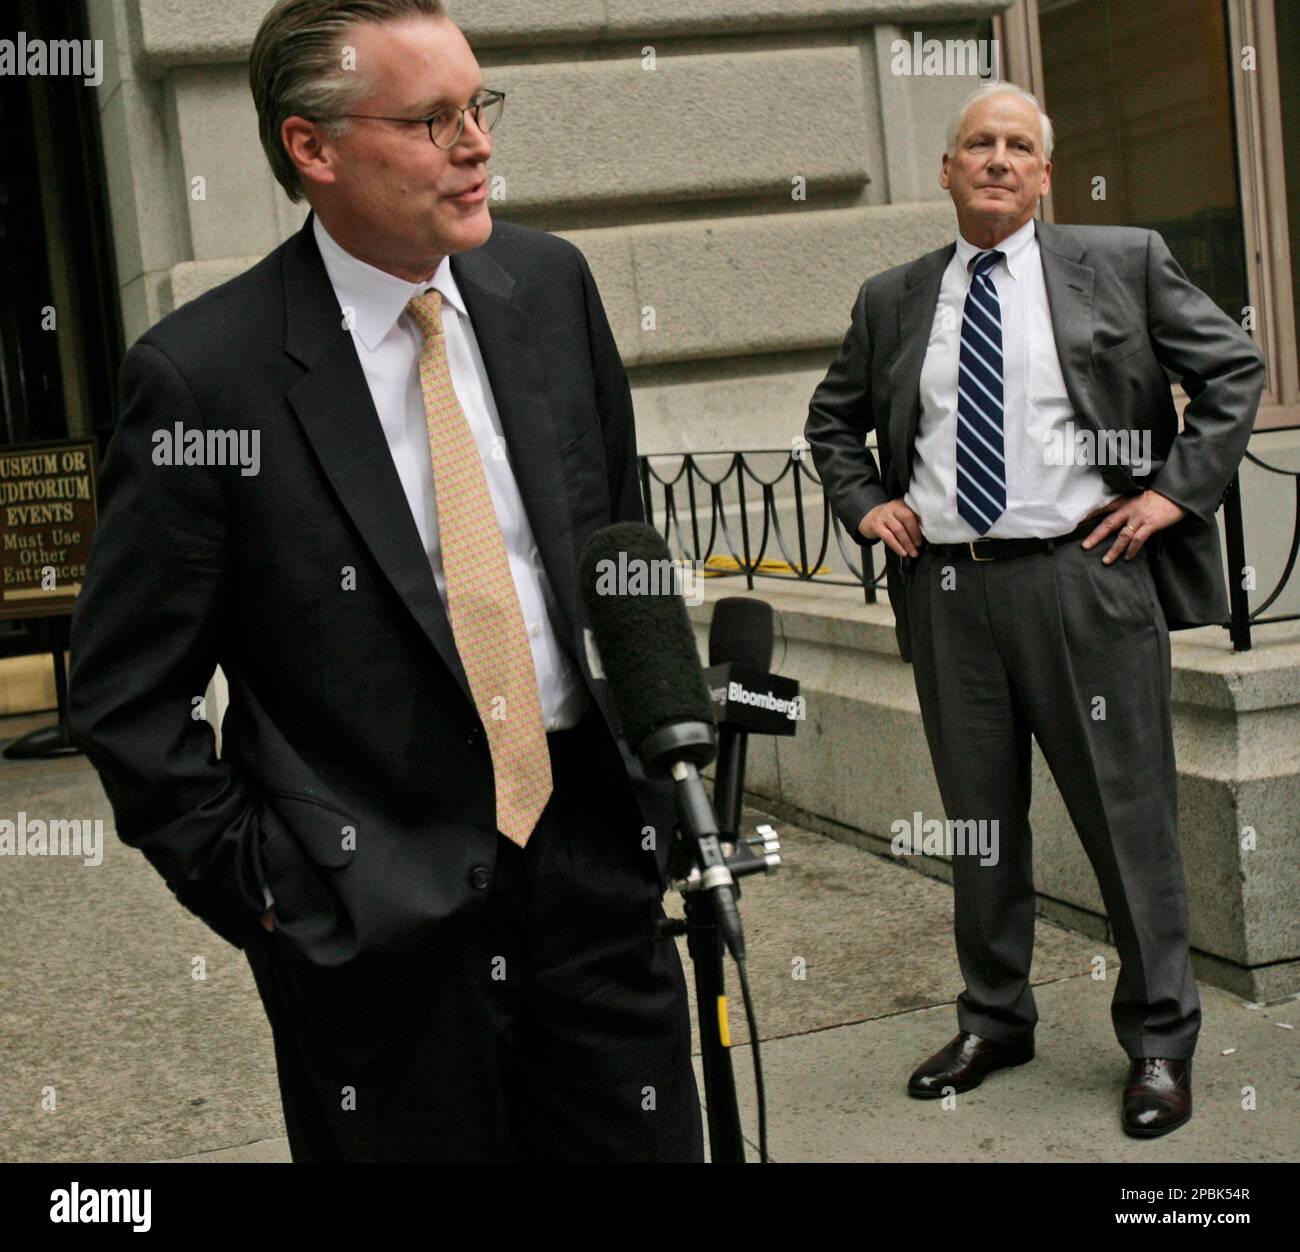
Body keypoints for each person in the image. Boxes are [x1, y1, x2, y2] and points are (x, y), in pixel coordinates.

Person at [67, 0, 703, 1162]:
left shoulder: (549, 288)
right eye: (430, 120)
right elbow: (124, 697)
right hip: (373, 927)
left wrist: (659, 791)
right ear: (313, 148)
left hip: (594, 878)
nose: (477, 145)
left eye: (479, 106)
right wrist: (277, 900)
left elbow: (616, 542)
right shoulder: (205, 378)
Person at [805, 82, 1264, 1137]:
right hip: (948, 592)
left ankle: (1158, 1043)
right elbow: (832, 423)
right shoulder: (892, 298)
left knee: (1126, 817)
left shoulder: (1123, 260)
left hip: (1082, 581)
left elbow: (1231, 370)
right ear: (948, 169)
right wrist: (867, 502)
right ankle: (994, 1017)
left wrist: (1168, 494)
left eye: (1019, 146)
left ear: (1045, 173)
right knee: (978, 822)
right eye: (979, 145)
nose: (998, 159)